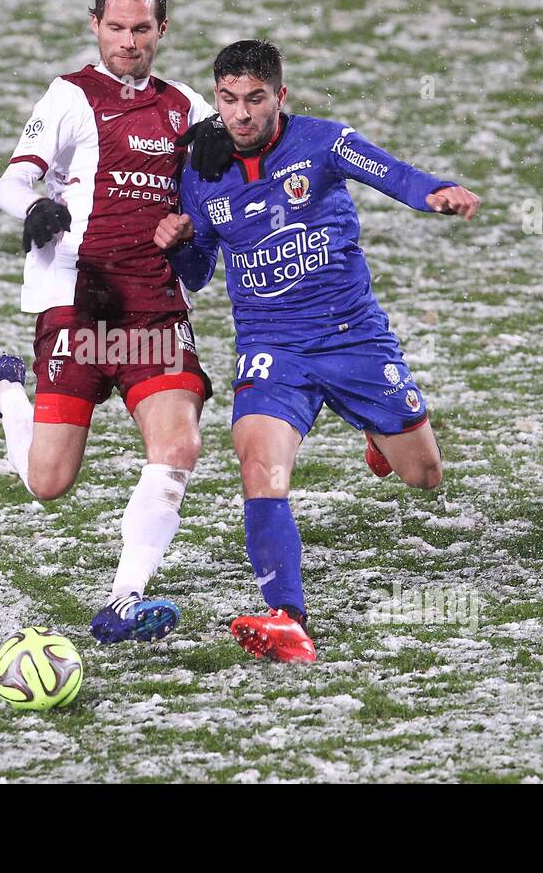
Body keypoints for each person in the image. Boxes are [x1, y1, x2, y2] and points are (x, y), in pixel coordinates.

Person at [156, 40, 481, 662]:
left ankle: (376, 432)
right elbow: (197, 273)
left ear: (280, 95)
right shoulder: (201, 170)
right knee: (260, 467)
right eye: (228, 100)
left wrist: (436, 191)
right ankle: (287, 616)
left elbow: (394, 174)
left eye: (255, 99)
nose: (241, 115)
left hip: (351, 339)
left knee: (425, 476)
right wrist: (177, 242)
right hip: (271, 349)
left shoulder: (323, 142)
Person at [0, 0, 232, 644]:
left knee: (179, 442)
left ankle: (125, 598)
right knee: (49, 483)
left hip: (152, 309)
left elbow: (231, 167)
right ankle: (7, 395)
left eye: (142, 29)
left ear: (162, 31)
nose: (129, 42)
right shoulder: (70, 96)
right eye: (116, 28)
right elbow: (11, 181)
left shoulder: (188, 108)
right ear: (95, 26)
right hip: (77, 306)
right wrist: (39, 207)